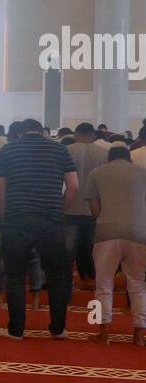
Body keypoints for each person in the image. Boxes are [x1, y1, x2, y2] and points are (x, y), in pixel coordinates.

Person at [0, 118, 78, 340]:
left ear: (20, 133)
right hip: (50, 220)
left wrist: (5, 215)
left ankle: (16, 330)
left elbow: (0, 187)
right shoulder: (60, 149)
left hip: (17, 219)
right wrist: (60, 210)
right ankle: (58, 329)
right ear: (43, 132)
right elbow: (73, 185)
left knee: (15, 277)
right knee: (58, 276)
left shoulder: (8, 150)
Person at [85, 146, 146, 346]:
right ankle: (139, 335)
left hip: (106, 233)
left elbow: (94, 206)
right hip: (139, 233)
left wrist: (104, 219)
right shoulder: (142, 173)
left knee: (103, 284)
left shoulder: (97, 172)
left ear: (109, 158)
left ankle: (103, 333)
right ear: (129, 158)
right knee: (137, 285)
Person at [65, 123, 109, 290]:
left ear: (76, 134)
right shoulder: (104, 153)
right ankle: (89, 278)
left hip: (69, 205)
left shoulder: (67, 150)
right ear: (93, 135)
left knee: (67, 249)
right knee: (88, 247)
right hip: (93, 207)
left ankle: (65, 281)